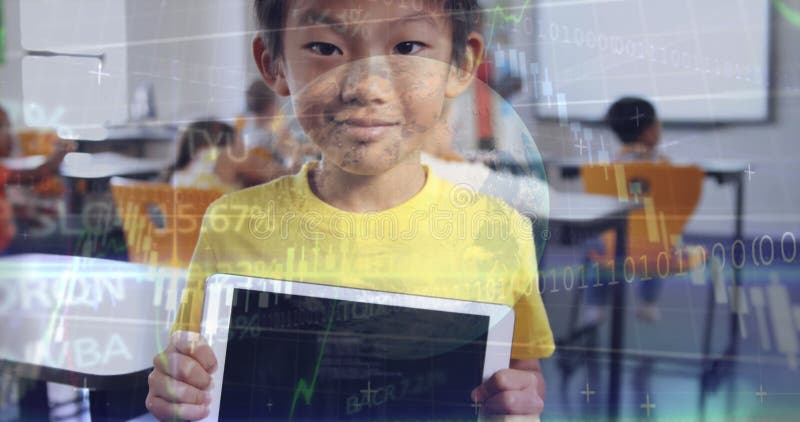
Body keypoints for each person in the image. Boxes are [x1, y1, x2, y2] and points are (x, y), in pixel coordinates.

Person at [146, 1, 554, 420]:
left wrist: (520, 399)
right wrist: (178, 389)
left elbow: (523, 373)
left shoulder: (499, 232)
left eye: (408, 47)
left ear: (461, 64)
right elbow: (193, 373)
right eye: (325, 47)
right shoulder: (232, 224)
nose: (366, 86)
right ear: (273, 64)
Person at [584, 97, 668, 323]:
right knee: (659, 241)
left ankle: (595, 305)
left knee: (597, 248)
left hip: (612, 239)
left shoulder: (613, 165)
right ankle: (648, 302)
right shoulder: (664, 165)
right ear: (649, 132)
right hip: (653, 241)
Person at [0, 105, 75, 252]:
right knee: (65, 239)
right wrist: (60, 153)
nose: (11, 135)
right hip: (6, 244)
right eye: (5, 128)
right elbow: (34, 176)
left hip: (9, 233)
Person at [169, 119, 294, 192]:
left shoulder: (178, 174)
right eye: (240, 138)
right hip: (227, 229)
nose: (245, 147)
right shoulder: (227, 157)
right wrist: (290, 151)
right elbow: (289, 177)